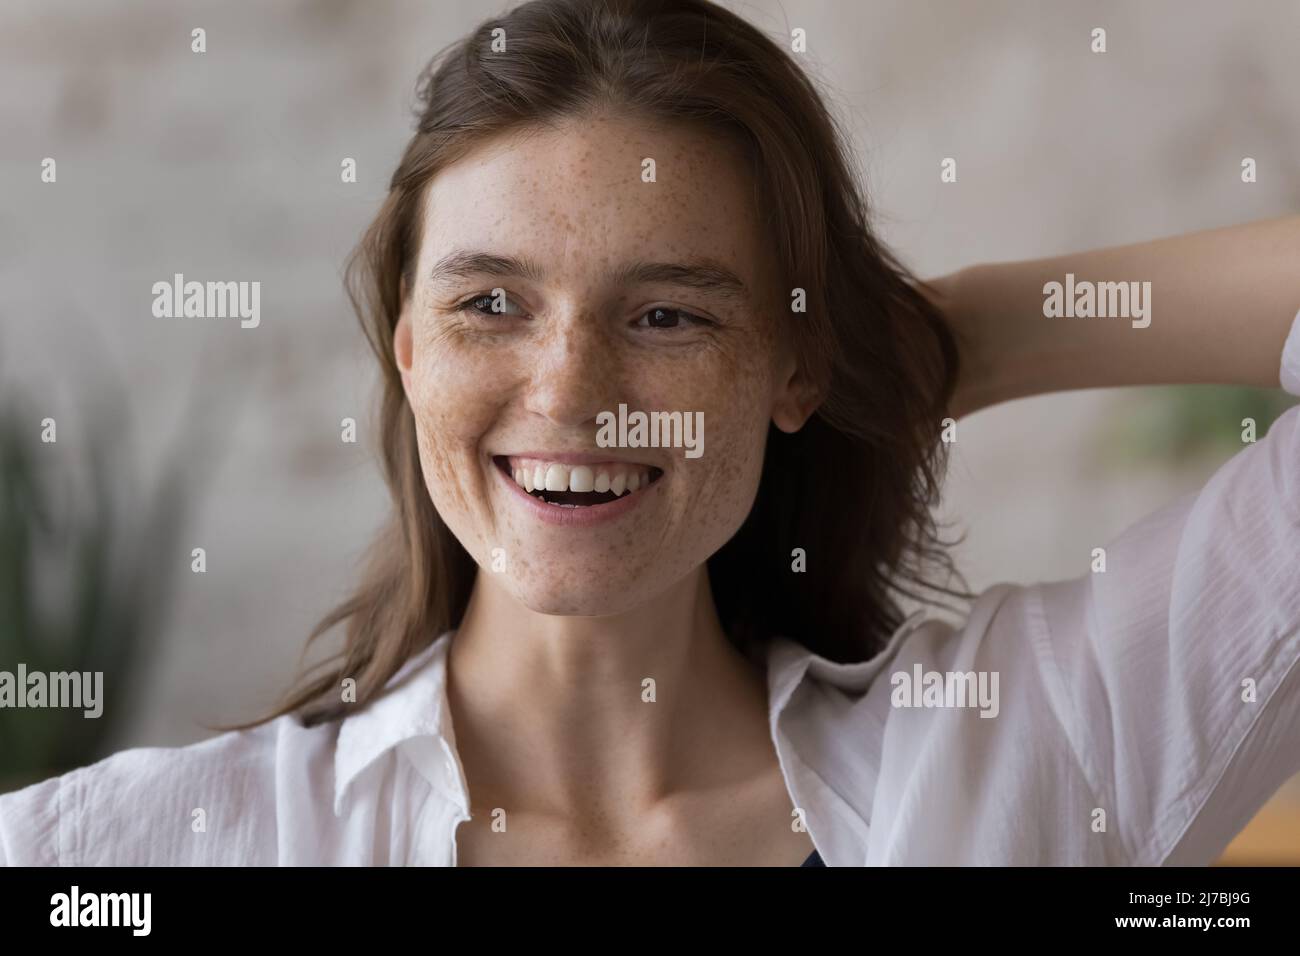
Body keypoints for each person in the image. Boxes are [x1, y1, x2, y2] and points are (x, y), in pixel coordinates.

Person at [2, 0, 1297, 866]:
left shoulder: (1029, 756)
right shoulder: (161, 848)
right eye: (491, 303)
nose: (569, 392)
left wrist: (952, 342)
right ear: (408, 352)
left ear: (793, 367)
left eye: (670, 314)